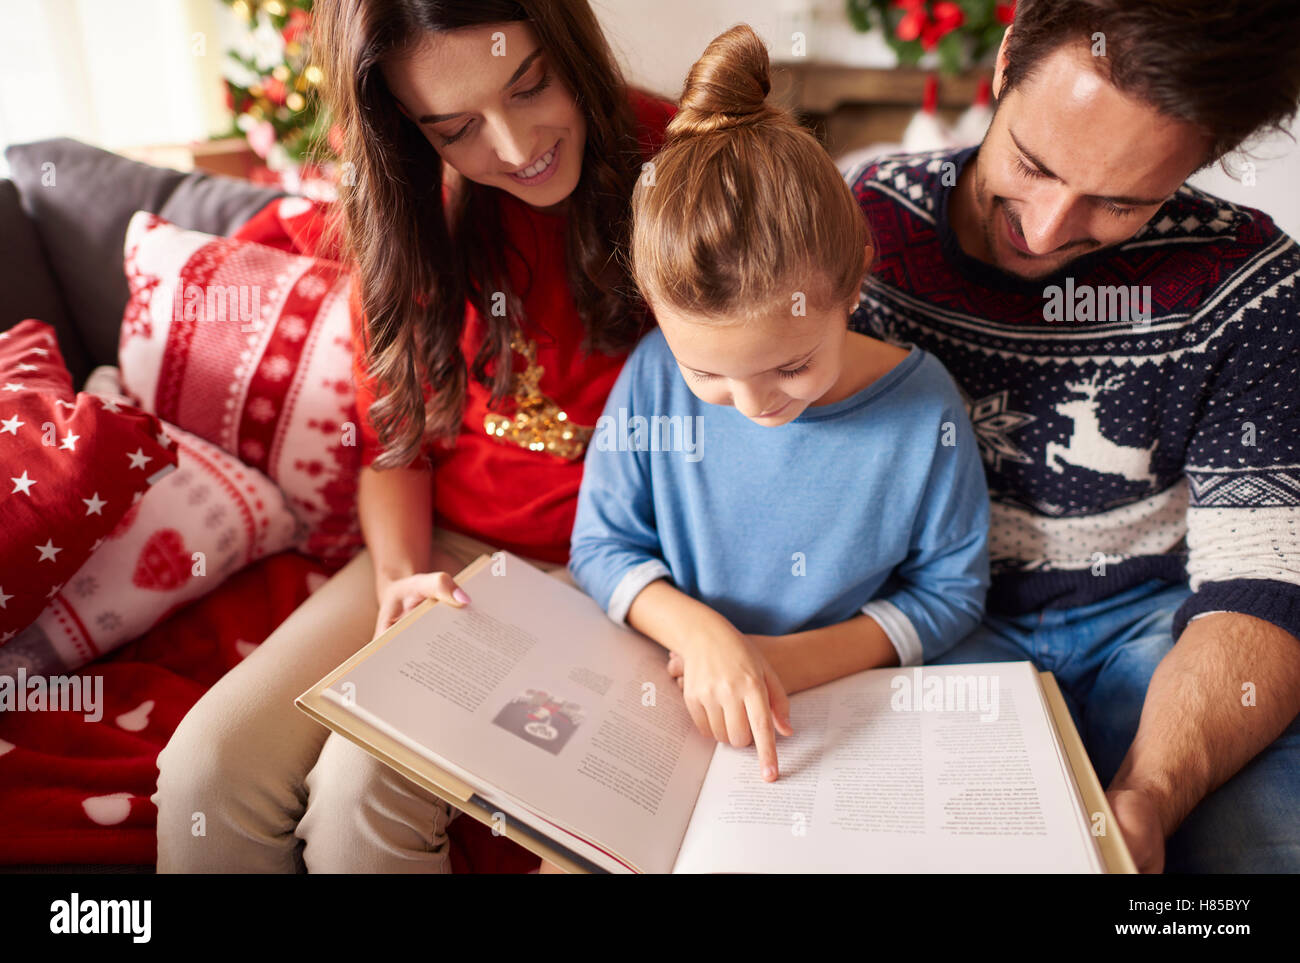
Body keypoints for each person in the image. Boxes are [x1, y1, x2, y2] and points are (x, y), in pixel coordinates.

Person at [152, 0, 674, 873]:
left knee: (361, 800)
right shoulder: (406, 202)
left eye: (530, 85)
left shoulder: (681, 158)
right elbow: (393, 443)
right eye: (457, 127)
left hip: (616, 568)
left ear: (569, 41)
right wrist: (401, 588)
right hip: (446, 545)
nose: (514, 148)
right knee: (207, 769)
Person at [845, 0, 1300, 871]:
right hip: (937, 618)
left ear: (1203, 159)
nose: (1046, 230)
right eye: (1033, 161)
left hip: (1169, 625)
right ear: (1008, 53)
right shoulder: (863, 225)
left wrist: (1151, 794)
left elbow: (1261, 584)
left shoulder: (1254, 285)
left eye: (1119, 203)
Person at [567, 24, 990, 783]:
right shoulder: (655, 374)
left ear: (853, 282)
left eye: (791, 365)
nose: (754, 403)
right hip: (669, 705)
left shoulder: (924, 409)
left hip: (838, 721)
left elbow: (952, 591)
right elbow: (601, 547)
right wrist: (701, 636)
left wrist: (781, 662)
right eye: (711, 375)